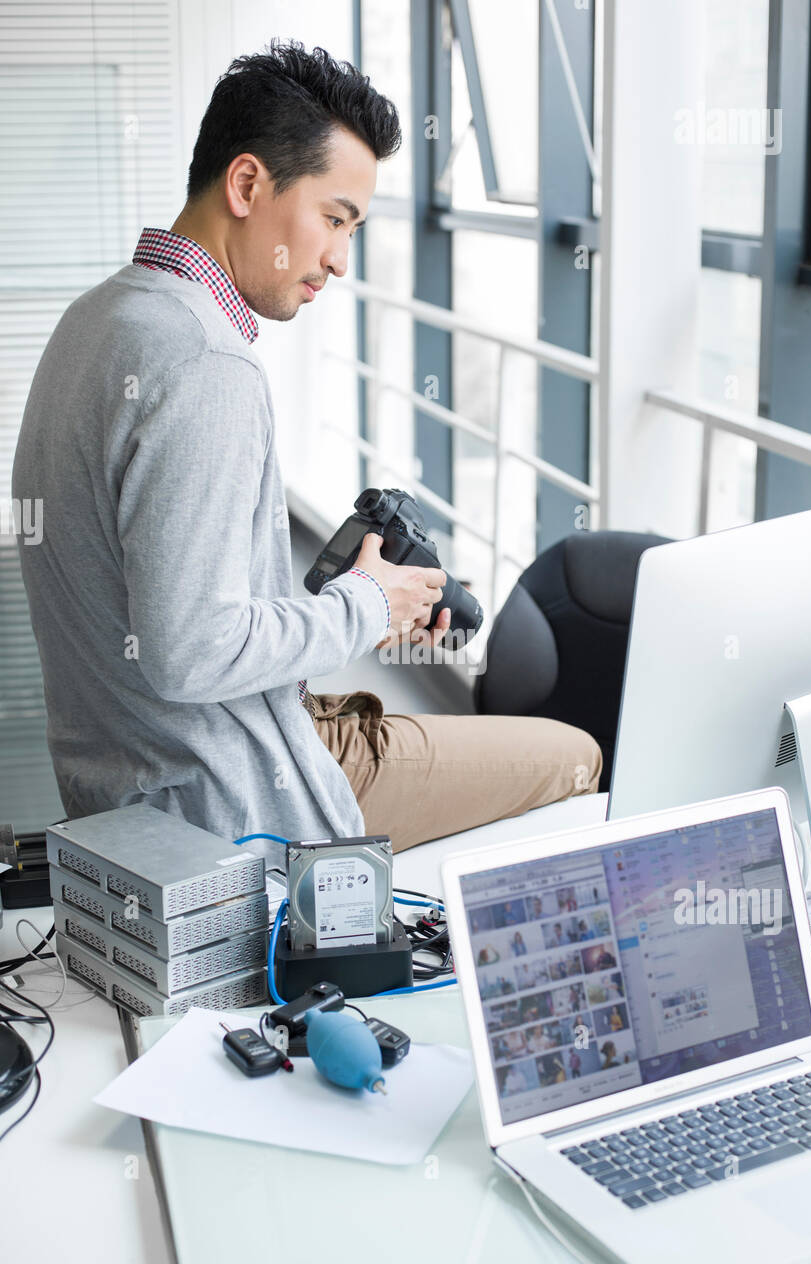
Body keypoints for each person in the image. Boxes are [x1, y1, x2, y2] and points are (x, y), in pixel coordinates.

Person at [11, 40, 602, 866]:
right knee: (575, 756)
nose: (339, 260)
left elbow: (168, 599)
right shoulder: (206, 363)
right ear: (248, 184)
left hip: (136, 779)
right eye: (335, 219)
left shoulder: (97, 318)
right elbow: (191, 650)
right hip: (234, 792)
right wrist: (369, 605)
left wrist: (356, 602)